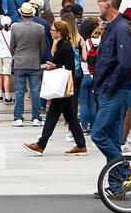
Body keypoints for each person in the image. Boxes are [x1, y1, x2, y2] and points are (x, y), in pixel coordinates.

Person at [90, 0, 131, 190]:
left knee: (98, 134)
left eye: (100, 1)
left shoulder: (120, 29)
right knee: (110, 136)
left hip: (114, 90)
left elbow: (125, 64)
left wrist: (109, 87)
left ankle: (127, 172)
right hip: (109, 88)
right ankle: (117, 186)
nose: (98, 4)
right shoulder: (113, 27)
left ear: (107, 4)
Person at [23, 20, 88, 155]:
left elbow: (70, 66)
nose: (50, 31)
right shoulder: (60, 44)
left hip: (62, 86)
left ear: (59, 32)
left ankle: (41, 144)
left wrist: (55, 66)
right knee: (70, 117)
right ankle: (81, 145)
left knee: (52, 114)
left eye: (52, 30)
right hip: (62, 86)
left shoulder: (66, 46)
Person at [9, 2, 47, 127]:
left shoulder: (15, 27)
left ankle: (18, 117)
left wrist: (16, 54)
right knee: (35, 91)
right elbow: (42, 47)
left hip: (19, 62)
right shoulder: (40, 28)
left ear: (21, 14)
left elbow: (12, 47)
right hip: (34, 62)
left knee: (19, 91)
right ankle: (36, 117)